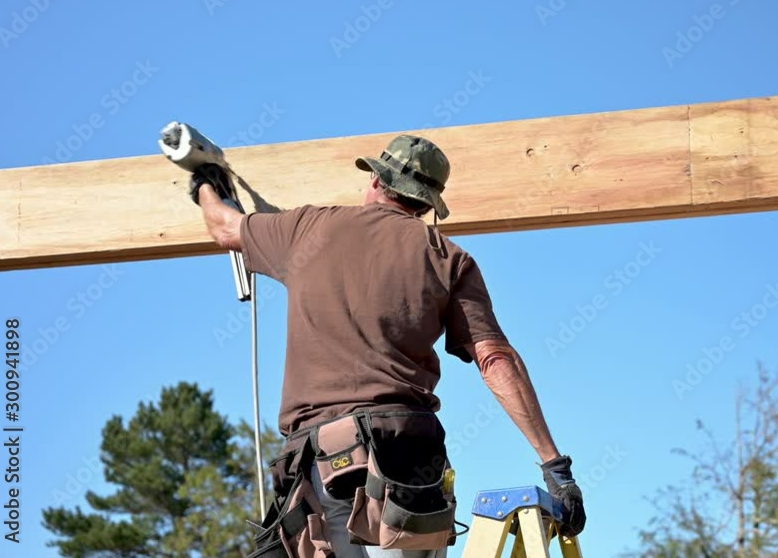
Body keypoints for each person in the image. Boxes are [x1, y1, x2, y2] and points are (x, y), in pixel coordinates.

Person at [188, 134, 586, 557]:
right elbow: (495, 360)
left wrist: (206, 183)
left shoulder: (307, 228)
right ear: (427, 204)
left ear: (376, 180)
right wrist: (554, 464)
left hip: (320, 462)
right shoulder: (447, 258)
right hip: (403, 460)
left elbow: (225, 227)